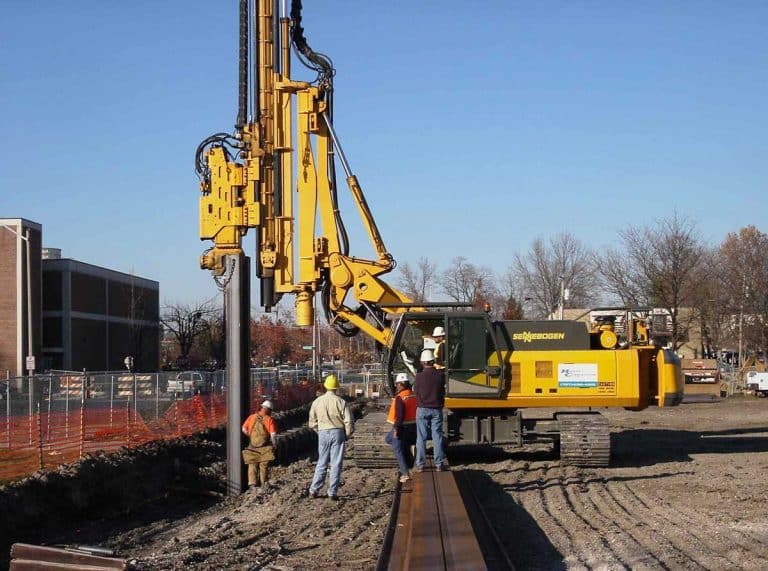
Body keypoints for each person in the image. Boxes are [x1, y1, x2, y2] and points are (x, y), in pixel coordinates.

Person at [308, 374, 354, 500]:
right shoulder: (341, 402)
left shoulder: (317, 402)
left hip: (323, 432)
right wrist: (347, 434)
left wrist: (320, 431)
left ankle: (314, 490)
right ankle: (332, 492)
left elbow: (312, 423)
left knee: (321, 462)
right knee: (336, 463)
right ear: (336, 388)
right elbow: (348, 421)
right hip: (338, 432)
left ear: (325, 386)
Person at [413, 349, 447, 471]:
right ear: (433, 361)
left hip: (422, 409)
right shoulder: (440, 375)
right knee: (437, 436)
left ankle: (421, 465)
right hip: (436, 409)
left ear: (422, 362)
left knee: (421, 437)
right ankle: (439, 464)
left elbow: (416, 392)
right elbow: (443, 391)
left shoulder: (419, 377)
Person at [385, 372, 418, 483]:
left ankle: (405, 473)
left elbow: (399, 416)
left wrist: (396, 429)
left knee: (397, 448)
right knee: (388, 439)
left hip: (402, 427)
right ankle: (409, 453)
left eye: (397, 384)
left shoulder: (400, 398)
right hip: (413, 427)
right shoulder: (413, 394)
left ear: (401, 384)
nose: (396, 386)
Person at [241, 400, 278, 490]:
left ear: (262, 407)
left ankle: (252, 484)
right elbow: (273, 434)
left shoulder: (251, 417)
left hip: (253, 446)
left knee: (252, 464)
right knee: (263, 465)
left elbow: (244, 429)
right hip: (265, 447)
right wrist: (274, 444)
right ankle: (263, 483)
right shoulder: (269, 419)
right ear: (269, 410)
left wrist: (250, 436)